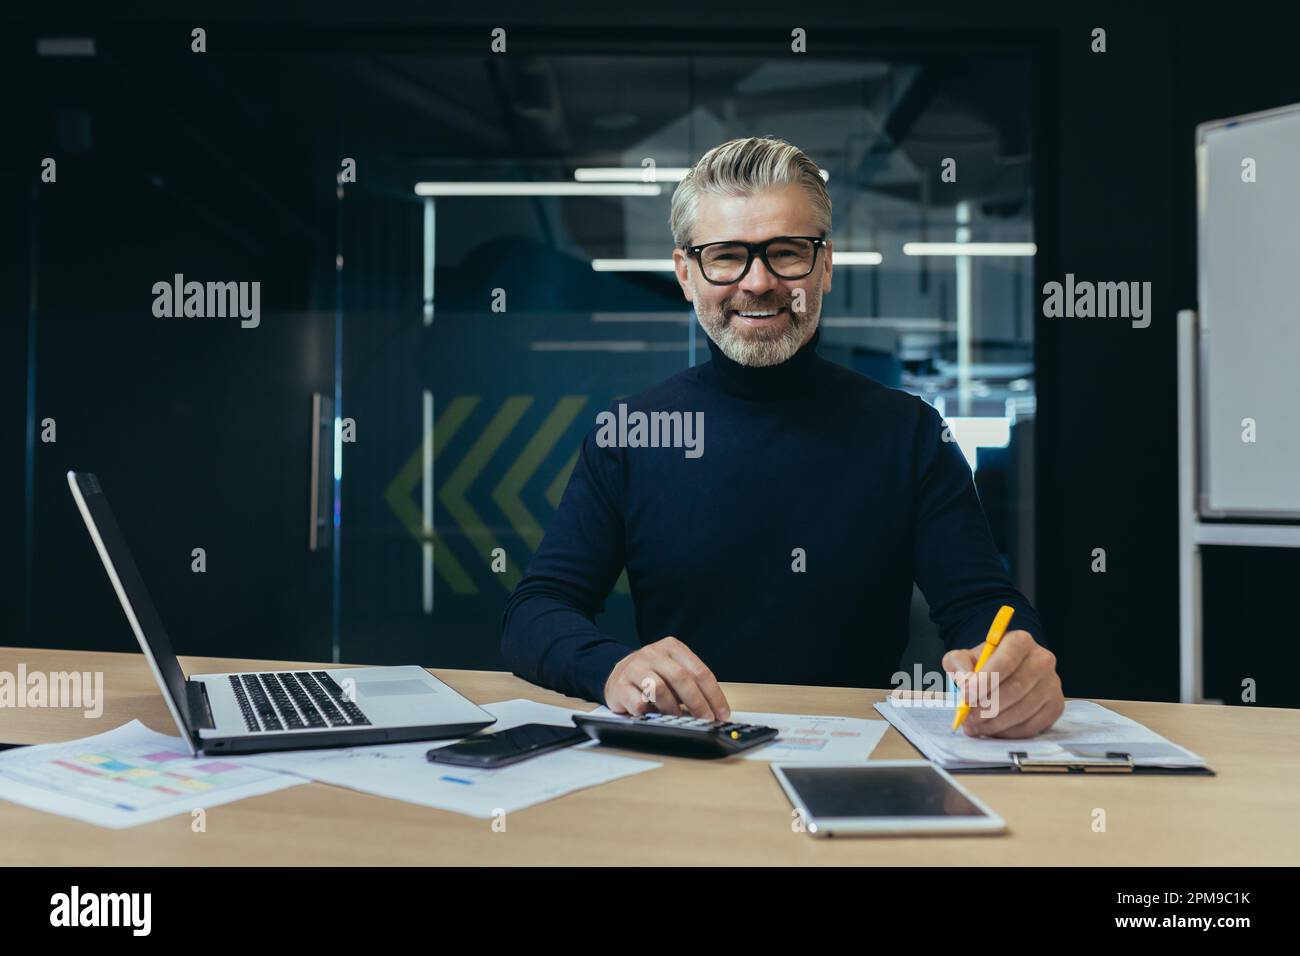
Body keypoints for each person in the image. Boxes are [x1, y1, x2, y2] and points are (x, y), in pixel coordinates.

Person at [501, 136, 1064, 739]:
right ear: (686, 273)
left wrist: (1010, 662)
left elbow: (983, 603)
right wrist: (612, 667)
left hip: (855, 761)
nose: (758, 282)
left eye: (787, 253)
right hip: (683, 760)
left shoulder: (911, 434)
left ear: (824, 265)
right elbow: (536, 612)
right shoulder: (631, 434)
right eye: (725, 256)